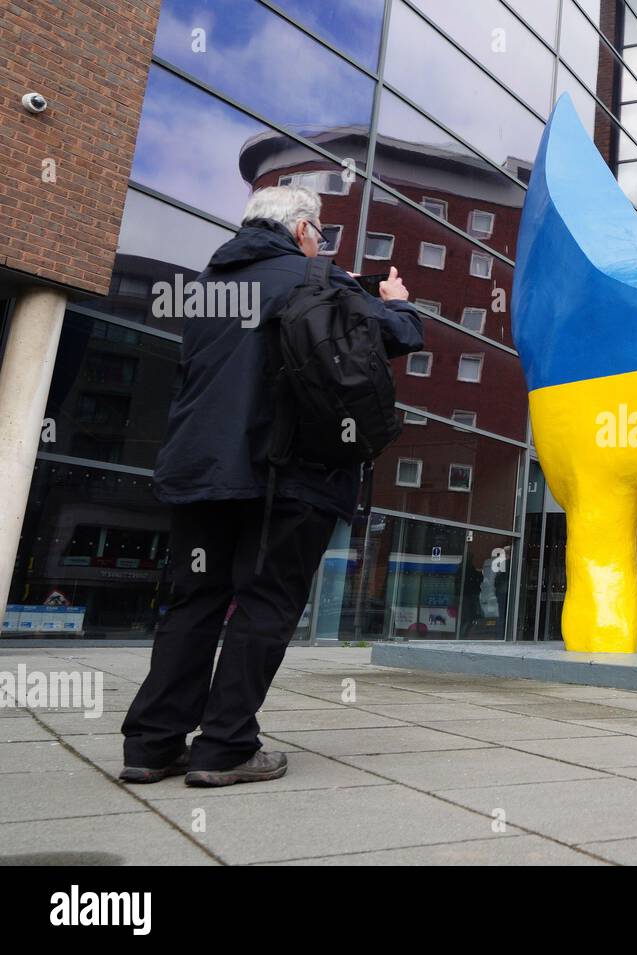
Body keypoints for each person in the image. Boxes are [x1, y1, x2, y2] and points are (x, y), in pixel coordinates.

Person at [120, 185, 424, 787]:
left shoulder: (208, 287)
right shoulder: (315, 278)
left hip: (202, 472)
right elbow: (397, 337)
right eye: (322, 235)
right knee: (264, 604)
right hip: (285, 477)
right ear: (304, 229)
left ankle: (152, 745)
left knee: (193, 602)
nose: (323, 245)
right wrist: (396, 300)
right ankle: (226, 746)